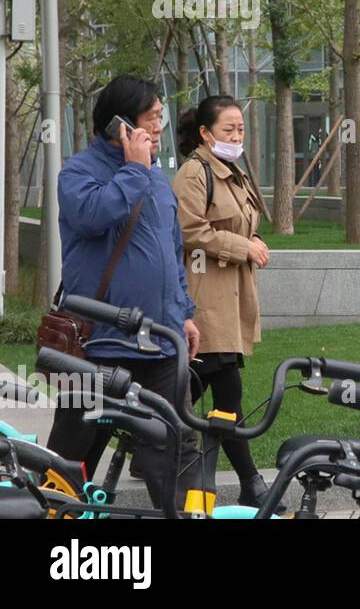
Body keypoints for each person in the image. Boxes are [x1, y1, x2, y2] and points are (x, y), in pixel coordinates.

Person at [47, 75, 203, 512]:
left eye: (160, 118)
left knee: (175, 453)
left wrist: (184, 314)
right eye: (151, 118)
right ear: (119, 123)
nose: (159, 128)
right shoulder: (78, 173)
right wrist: (134, 168)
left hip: (158, 345)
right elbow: (95, 216)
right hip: (96, 345)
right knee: (70, 460)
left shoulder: (156, 177)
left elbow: (172, 254)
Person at [173, 95, 278, 511]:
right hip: (205, 301)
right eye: (227, 130)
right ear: (204, 132)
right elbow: (190, 231)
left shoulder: (232, 172)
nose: (236, 137)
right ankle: (240, 484)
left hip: (230, 299)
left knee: (221, 395)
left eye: (240, 129)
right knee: (225, 394)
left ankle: (220, 483)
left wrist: (252, 242)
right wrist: (242, 246)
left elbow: (240, 223)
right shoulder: (194, 173)